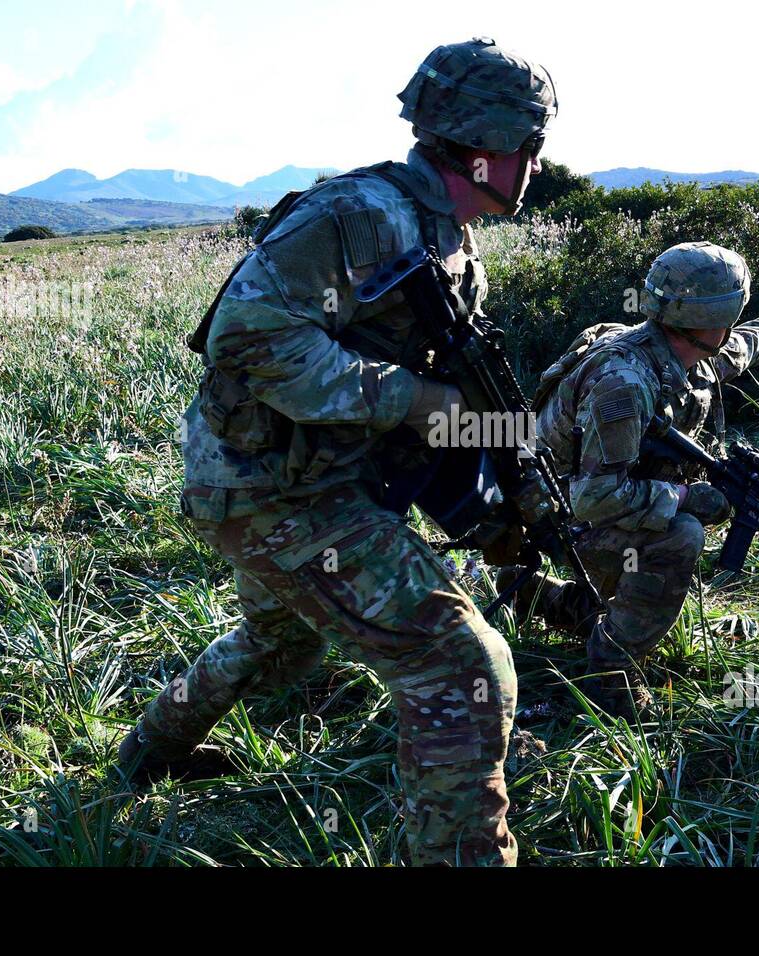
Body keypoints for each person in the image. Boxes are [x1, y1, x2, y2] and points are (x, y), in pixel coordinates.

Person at [117, 37, 557, 867]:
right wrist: (419, 400)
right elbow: (247, 342)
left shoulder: (447, 238)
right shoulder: (358, 216)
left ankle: (148, 754)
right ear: (485, 147)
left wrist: (496, 491)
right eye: (531, 147)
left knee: (276, 642)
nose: (537, 165)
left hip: (314, 480)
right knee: (455, 657)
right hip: (271, 489)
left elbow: (434, 413)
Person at [508, 241, 759, 716]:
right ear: (717, 316)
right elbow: (593, 497)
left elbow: (746, 344)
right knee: (679, 537)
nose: (733, 327)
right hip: (556, 520)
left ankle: (542, 600)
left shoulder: (685, 346)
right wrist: (685, 495)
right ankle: (608, 677)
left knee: (664, 543)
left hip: (582, 510)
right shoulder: (624, 384)